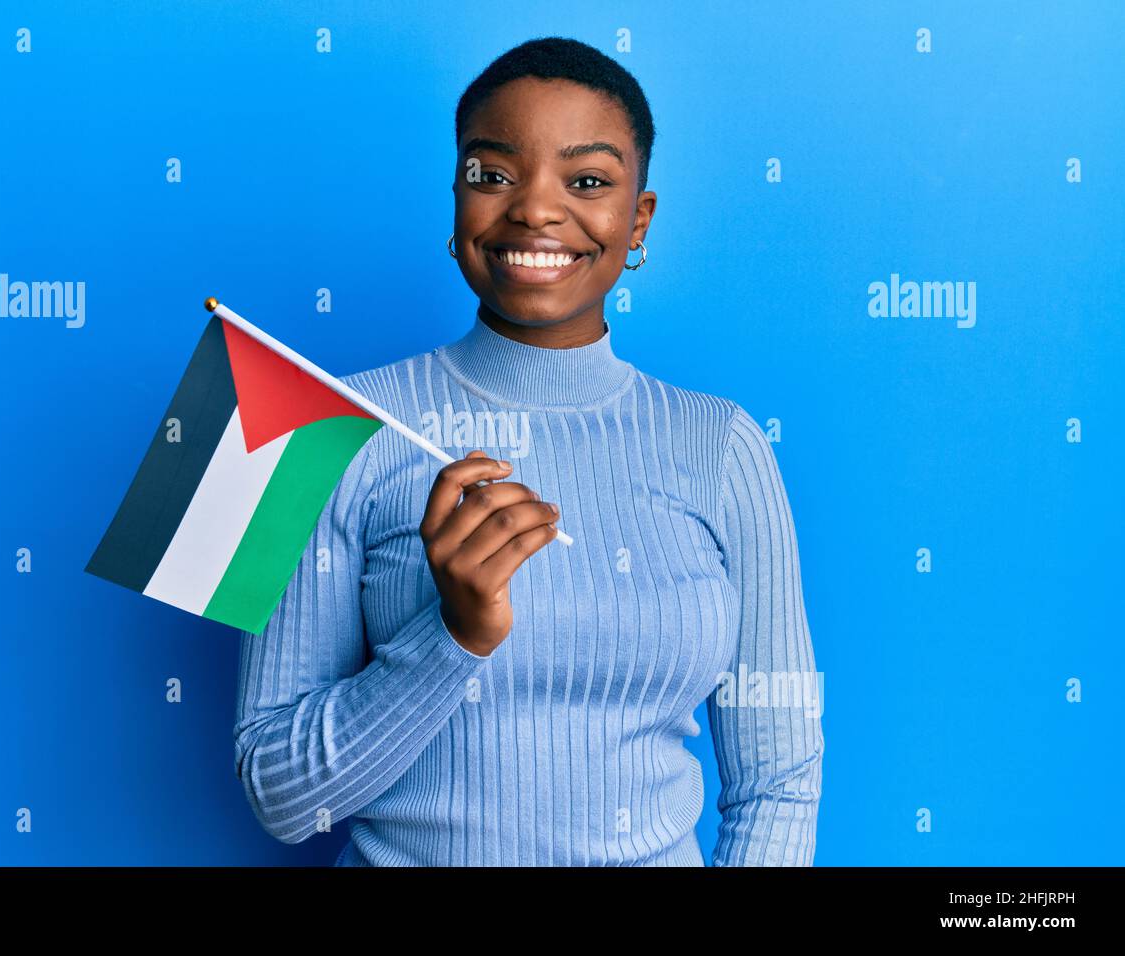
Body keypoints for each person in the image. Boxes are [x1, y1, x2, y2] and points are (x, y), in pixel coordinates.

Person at [234, 36, 823, 866]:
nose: (535, 209)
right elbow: (282, 796)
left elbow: (780, 782)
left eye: (587, 181)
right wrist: (454, 634)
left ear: (638, 221)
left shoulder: (723, 446)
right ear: (456, 201)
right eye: (493, 174)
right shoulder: (331, 428)